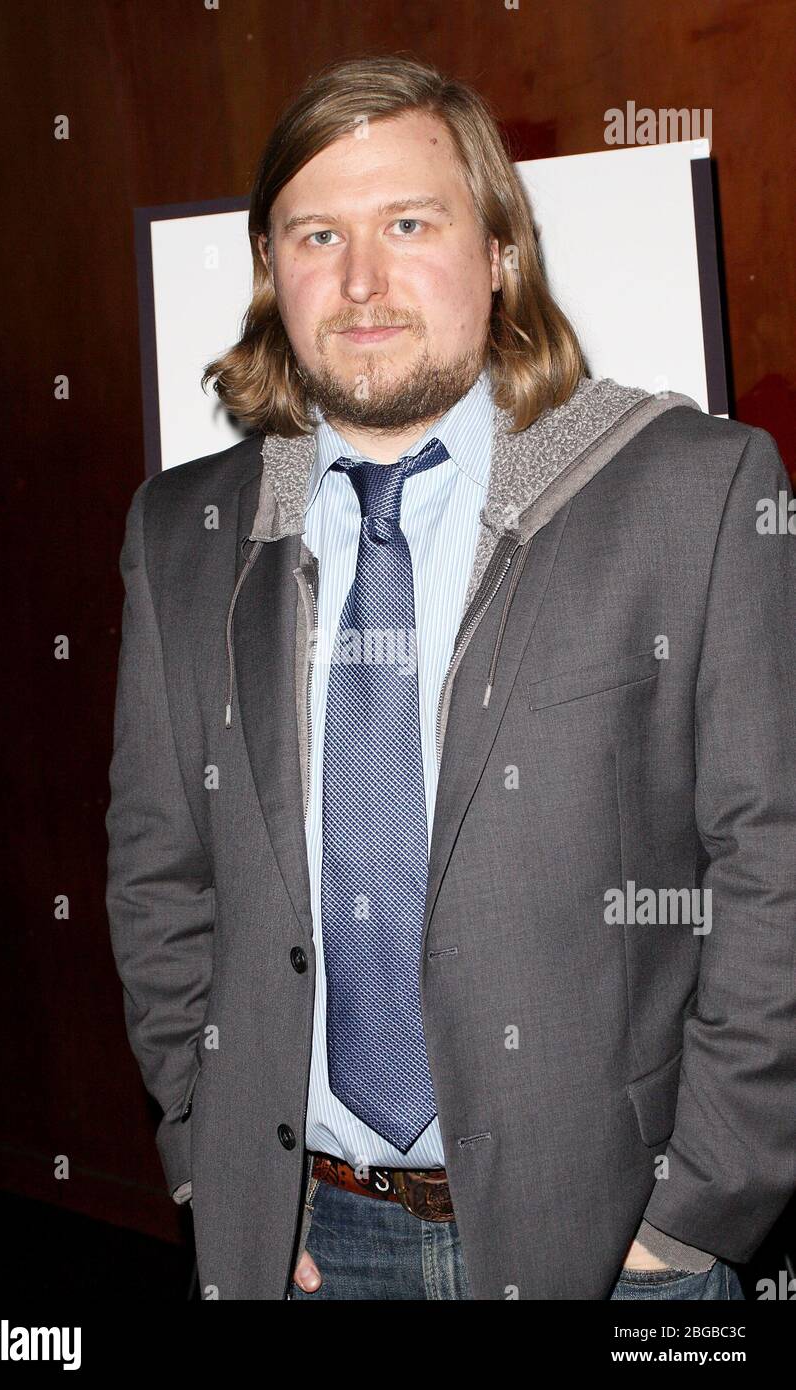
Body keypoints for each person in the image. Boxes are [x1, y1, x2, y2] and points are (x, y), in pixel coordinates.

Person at [105, 54, 796, 1300]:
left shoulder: (692, 492)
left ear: (496, 254)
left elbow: (775, 865)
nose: (361, 281)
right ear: (271, 272)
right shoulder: (181, 535)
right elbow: (159, 877)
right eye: (317, 235)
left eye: (409, 223)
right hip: (311, 1237)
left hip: (617, 1239)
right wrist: (216, 1167)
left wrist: (697, 1210)